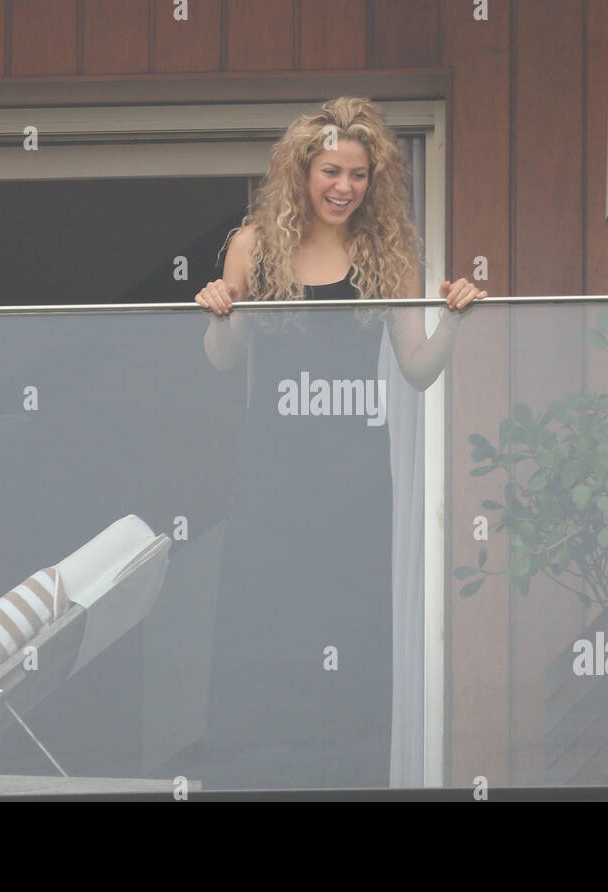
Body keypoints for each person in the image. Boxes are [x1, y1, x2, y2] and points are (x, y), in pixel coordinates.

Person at [194, 97, 485, 789]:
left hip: (352, 485)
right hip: (270, 478)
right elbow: (222, 359)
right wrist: (218, 309)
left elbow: (416, 370)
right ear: (302, 171)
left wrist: (454, 321)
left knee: (347, 638)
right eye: (331, 170)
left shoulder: (389, 251)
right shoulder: (253, 245)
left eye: (358, 174)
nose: (344, 187)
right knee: (261, 629)